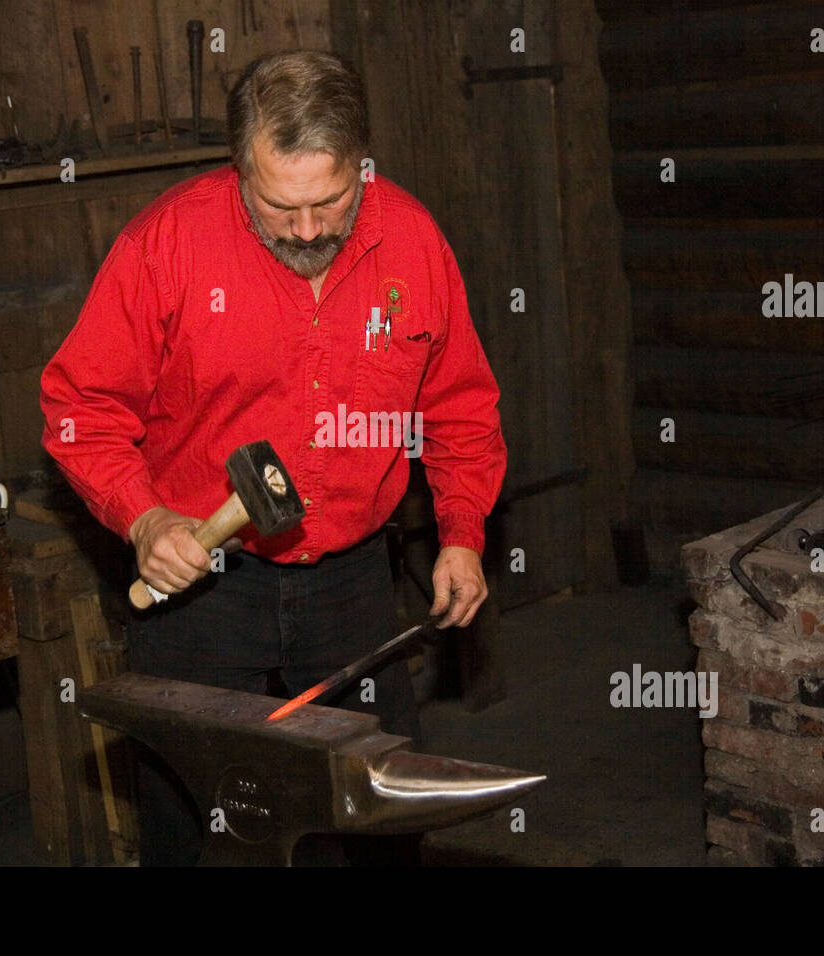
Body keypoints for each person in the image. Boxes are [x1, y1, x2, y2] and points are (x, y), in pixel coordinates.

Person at [39, 50, 506, 865]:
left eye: (331, 201)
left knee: (374, 816)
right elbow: (82, 408)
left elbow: (460, 407)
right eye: (278, 206)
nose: (309, 231)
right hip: (203, 586)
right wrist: (144, 519)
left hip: (355, 580)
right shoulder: (167, 246)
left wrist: (462, 533)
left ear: (362, 166)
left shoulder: (414, 243)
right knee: (194, 822)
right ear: (237, 169)